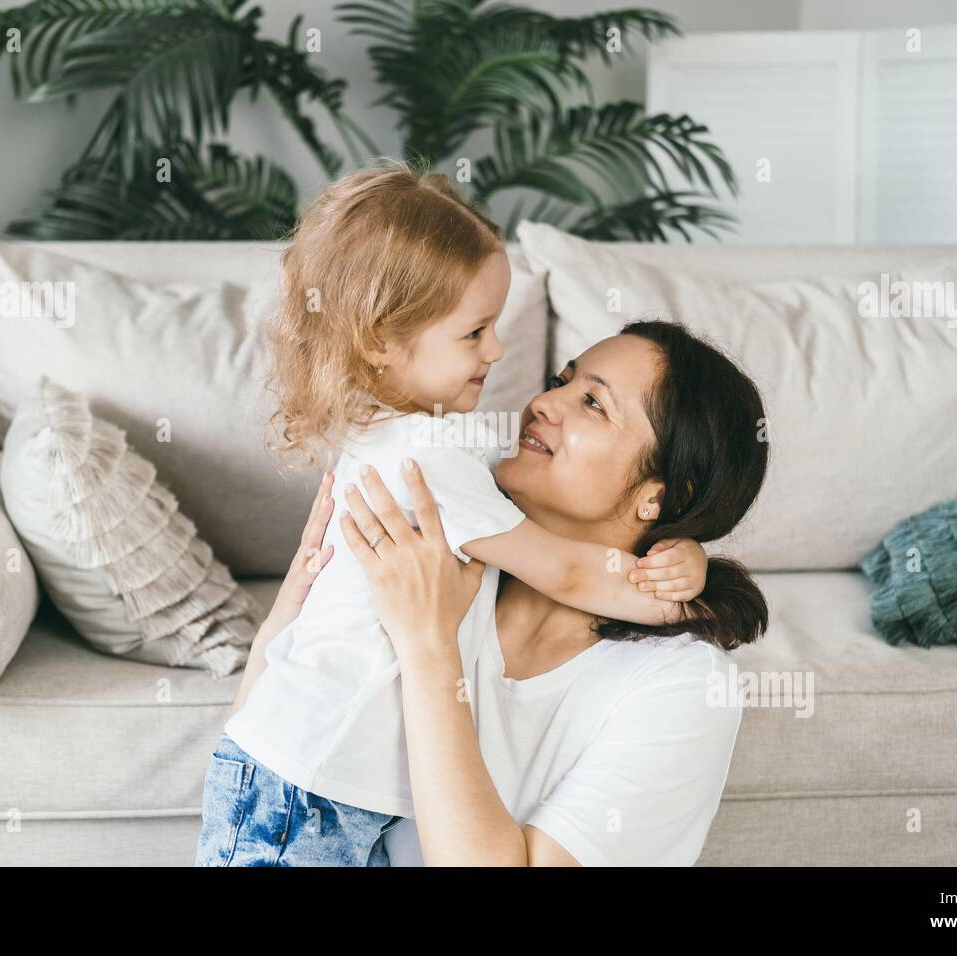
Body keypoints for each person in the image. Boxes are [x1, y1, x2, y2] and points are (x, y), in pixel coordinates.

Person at [195, 161, 708, 867]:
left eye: (592, 402)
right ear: (379, 338)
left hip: (298, 778)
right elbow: (566, 568)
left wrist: (692, 559)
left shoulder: (413, 450)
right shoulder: (429, 462)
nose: (506, 363)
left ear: (662, 496)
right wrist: (679, 595)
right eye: (475, 333)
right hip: (302, 790)